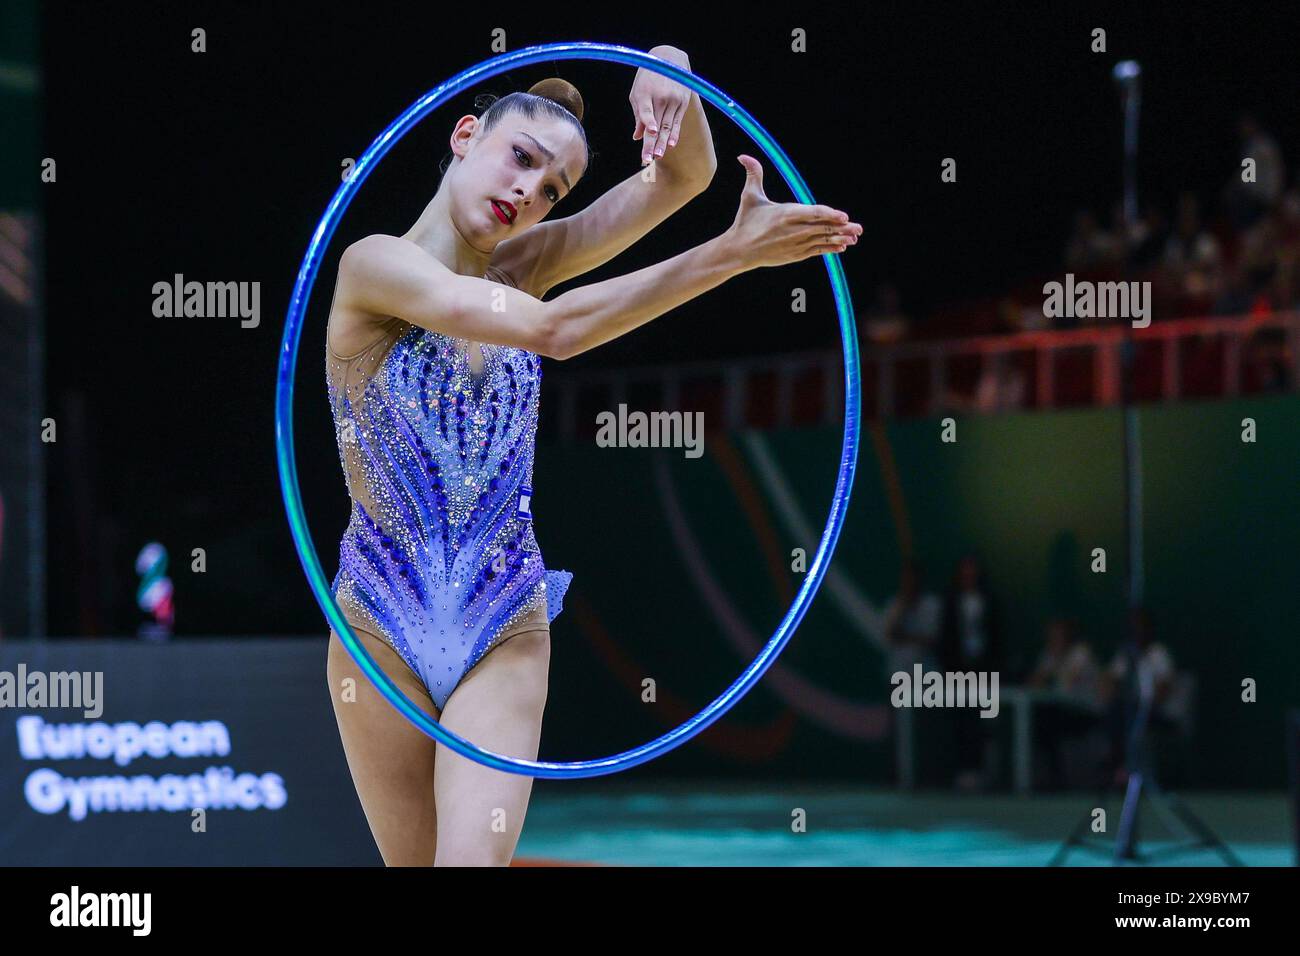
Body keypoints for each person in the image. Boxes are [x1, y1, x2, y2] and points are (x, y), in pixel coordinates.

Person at [321, 58, 863, 866]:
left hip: (502, 620)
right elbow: (558, 332)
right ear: (466, 135)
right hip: (377, 624)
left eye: (553, 191)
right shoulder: (374, 266)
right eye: (523, 159)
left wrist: (669, 68)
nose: (531, 195)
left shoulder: (526, 265)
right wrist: (733, 255)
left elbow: (686, 175)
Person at [1098, 607, 1183, 785]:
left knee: (1125, 712)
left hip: (1160, 715)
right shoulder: (1126, 654)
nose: (1137, 632)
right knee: (1118, 710)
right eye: (1132, 628)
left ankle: (1120, 762)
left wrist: (1139, 705)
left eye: (1140, 627)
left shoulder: (1159, 653)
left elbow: (1161, 693)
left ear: (1149, 629)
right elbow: (1110, 682)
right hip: (1131, 713)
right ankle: (1122, 765)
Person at [939, 554, 1002, 790]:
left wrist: (989, 666)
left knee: (981, 721)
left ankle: (980, 771)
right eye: (964, 570)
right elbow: (946, 635)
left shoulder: (989, 600)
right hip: (956, 669)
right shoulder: (951, 600)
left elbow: (996, 636)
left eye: (972, 570)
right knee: (960, 720)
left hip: (983, 670)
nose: (969, 575)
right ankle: (962, 770)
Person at [1027, 617, 1101, 789]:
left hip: (1086, 712)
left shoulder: (1081, 653)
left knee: (1046, 721)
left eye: (1059, 634)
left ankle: (1057, 777)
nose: (1055, 638)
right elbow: (1034, 683)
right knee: (1041, 720)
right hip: (1060, 712)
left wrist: (1051, 669)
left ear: (1069, 635)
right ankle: (1052, 776)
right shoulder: (1049, 654)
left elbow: (1065, 683)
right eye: (1052, 635)